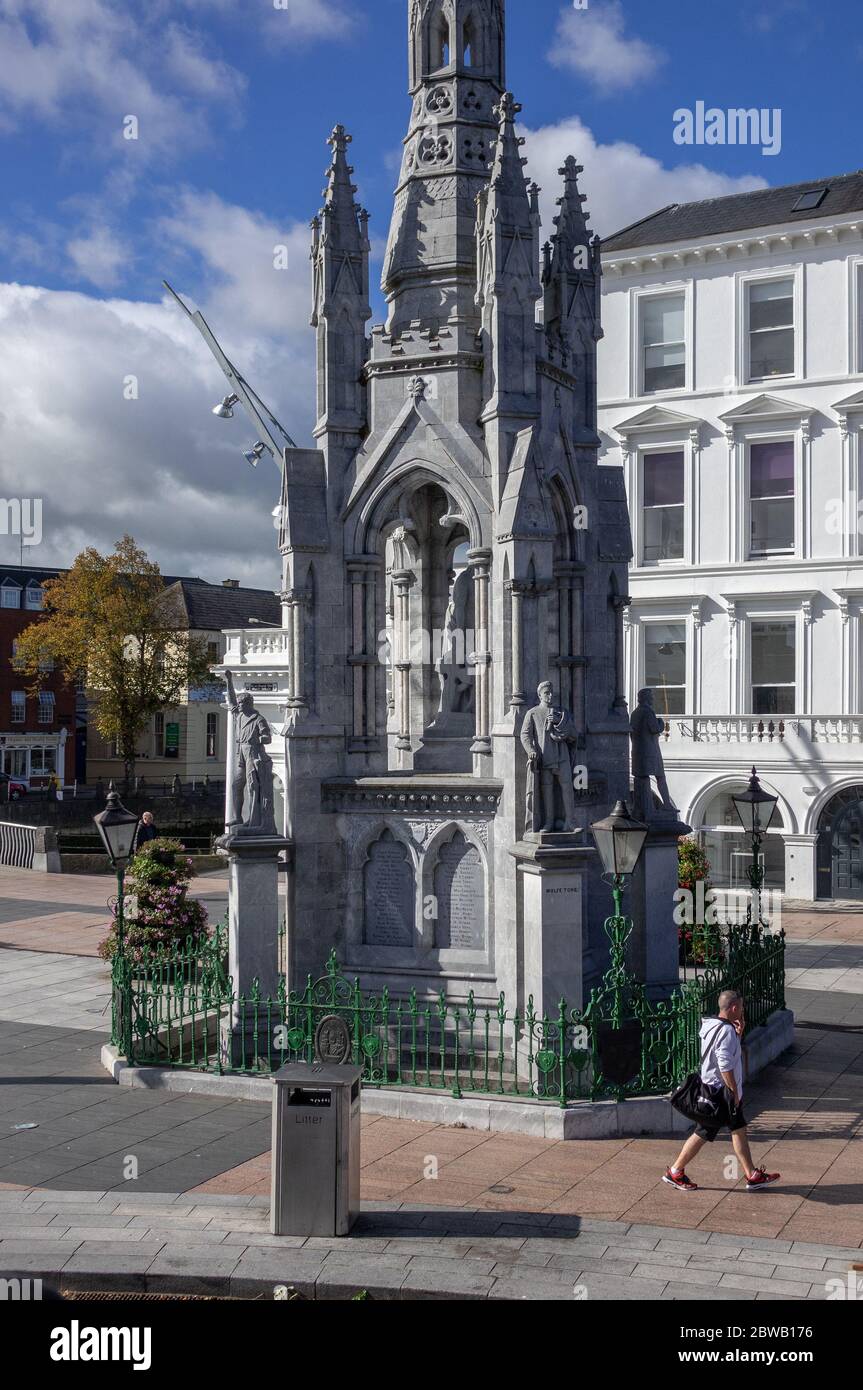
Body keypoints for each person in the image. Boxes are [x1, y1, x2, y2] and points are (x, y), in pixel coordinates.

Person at [663, 989, 781, 1192]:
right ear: (734, 1008)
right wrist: (733, 1092)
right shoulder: (725, 1031)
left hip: (714, 1091)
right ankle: (676, 1171)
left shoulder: (714, 1026)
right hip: (721, 1094)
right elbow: (724, 1064)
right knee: (720, 1130)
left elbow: (723, 1053)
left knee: (730, 1129)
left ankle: (751, 1174)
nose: (743, 1010)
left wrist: (739, 1034)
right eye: (741, 1007)